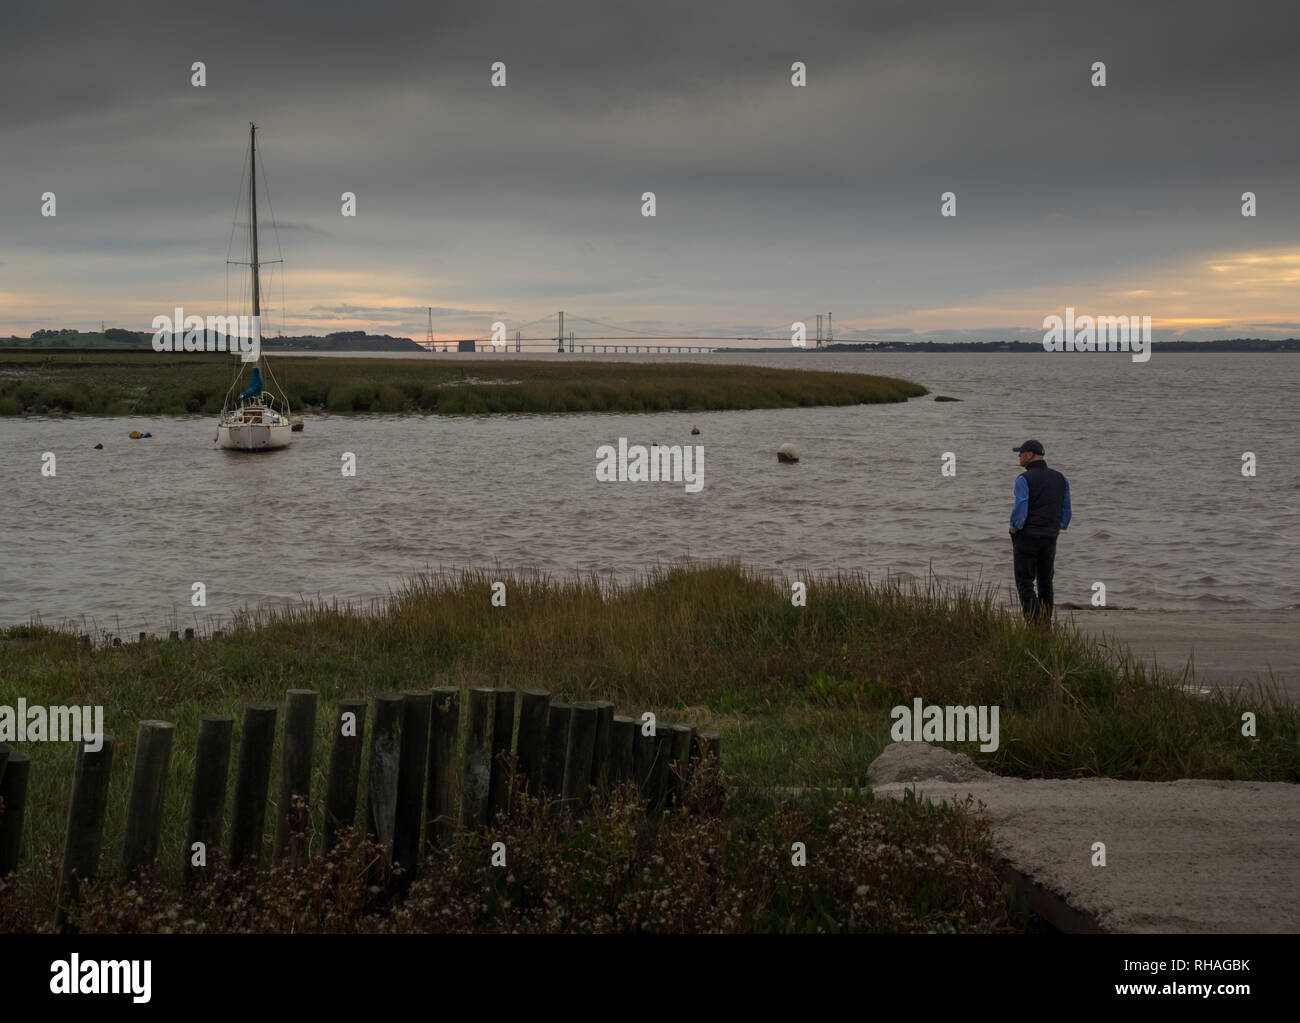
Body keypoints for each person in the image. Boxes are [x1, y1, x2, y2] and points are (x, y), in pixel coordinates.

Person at [1008, 440, 1071, 622]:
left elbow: (1021, 506)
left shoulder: (1024, 479)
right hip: (1051, 535)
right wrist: (1061, 526)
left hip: (1027, 535)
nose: (1019, 456)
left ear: (1030, 455)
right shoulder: (1061, 478)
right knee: (1045, 581)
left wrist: (1014, 527)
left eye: (1021, 452)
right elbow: (1066, 509)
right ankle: (1045, 624)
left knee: (1025, 582)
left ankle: (1034, 624)